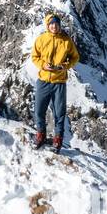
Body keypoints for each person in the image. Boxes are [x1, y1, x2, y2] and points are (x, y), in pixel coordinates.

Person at [31, 13, 80, 151]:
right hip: (43, 80)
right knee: (39, 110)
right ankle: (40, 135)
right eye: (51, 24)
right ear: (48, 25)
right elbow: (34, 56)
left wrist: (65, 66)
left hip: (59, 82)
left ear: (59, 25)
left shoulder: (66, 41)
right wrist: (43, 65)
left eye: (56, 24)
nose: (54, 26)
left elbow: (75, 57)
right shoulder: (41, 39)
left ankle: (57, 139)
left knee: (59, 112)